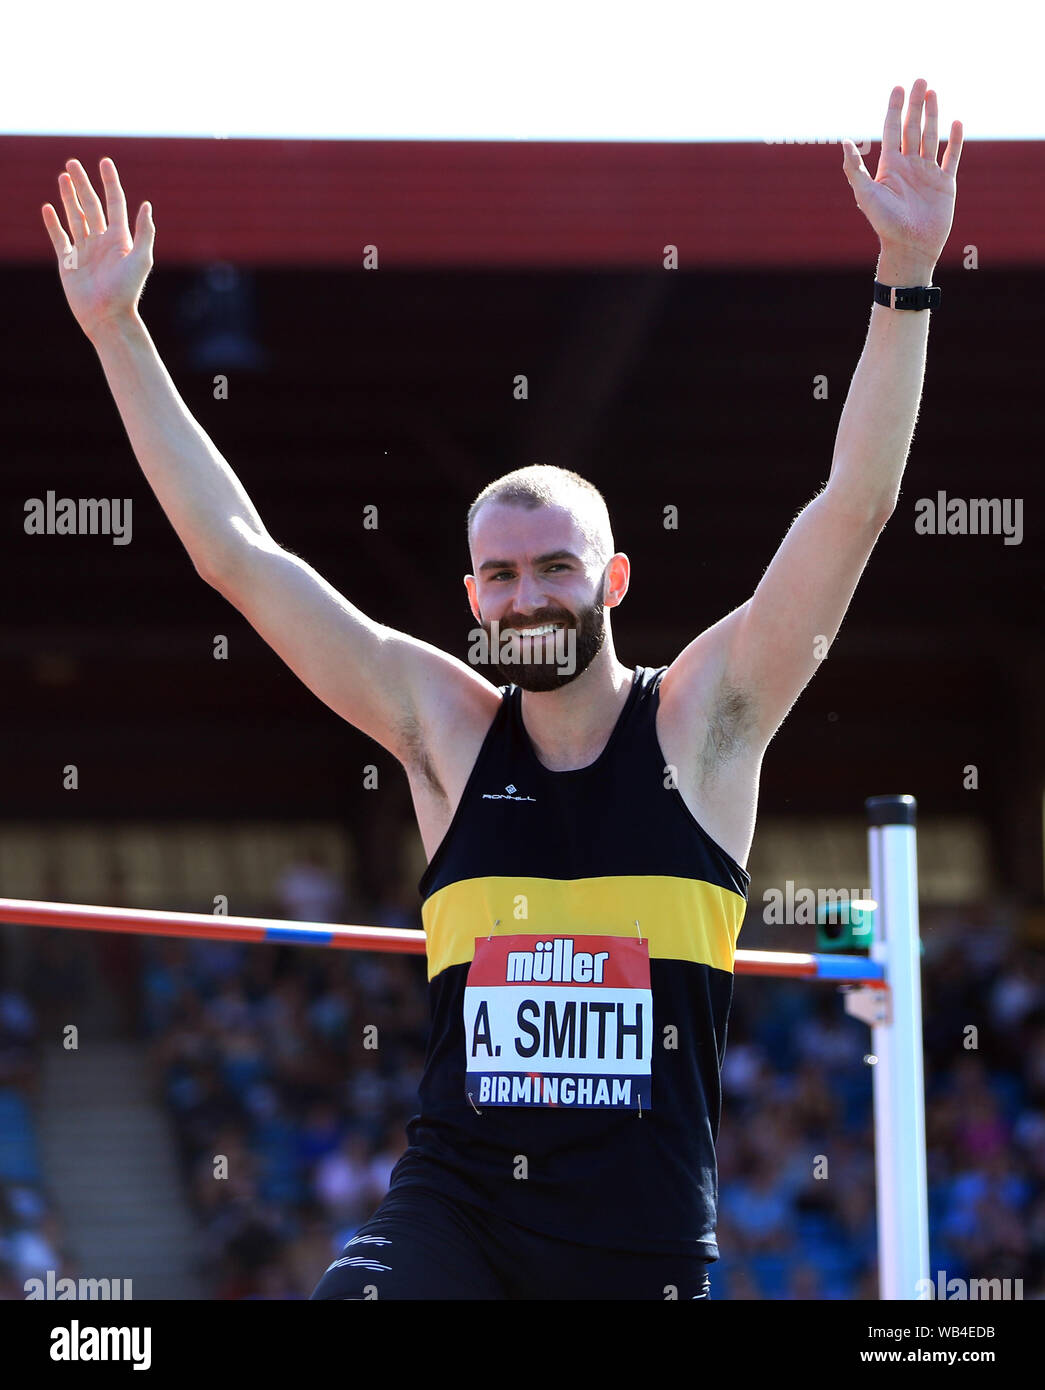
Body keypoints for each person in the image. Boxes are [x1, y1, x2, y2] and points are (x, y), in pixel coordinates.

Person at [41, 79, 962, 1300]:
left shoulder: (703, 722)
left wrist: (903, 271)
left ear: (613, 580)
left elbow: (853, 508)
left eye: (554, 570)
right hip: (453, 1223)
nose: (526, 597)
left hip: (634, 1255)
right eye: (499, 576)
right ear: (472, 596)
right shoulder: (445, 733)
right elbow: (239, 557)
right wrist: (119, 334)